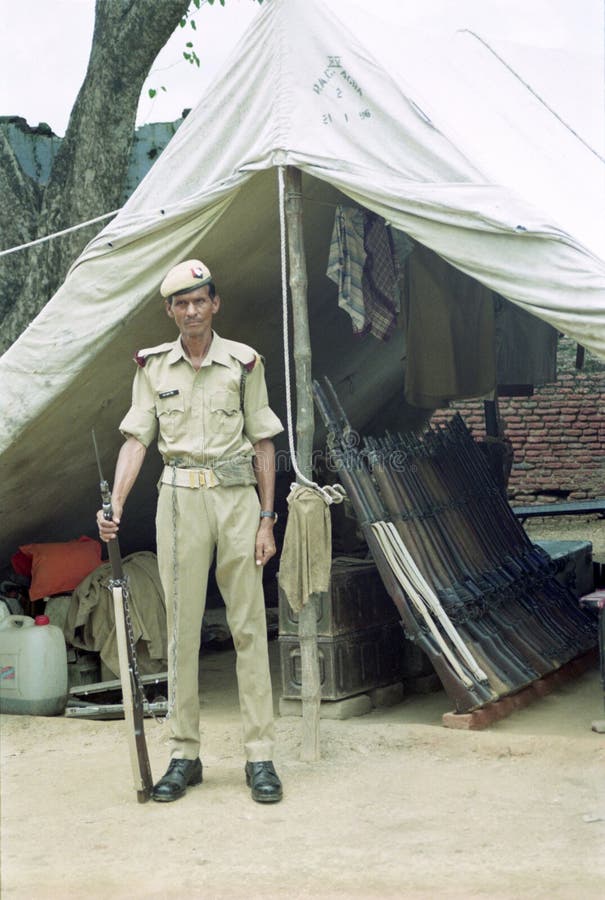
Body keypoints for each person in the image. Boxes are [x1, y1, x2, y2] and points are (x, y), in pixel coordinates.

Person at [97, 259, 284, 804]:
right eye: (182, 303)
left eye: (201, 299)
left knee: (248, 626)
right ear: (170, 311)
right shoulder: (153, 368)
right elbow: (136, 440)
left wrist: (268, 519)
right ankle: (184, 753)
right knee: (180, 628)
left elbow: (265, 443)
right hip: (178, 501)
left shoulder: (244, 363)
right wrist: (117, 505)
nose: (192, 310)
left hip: (236, 501)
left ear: (215, 303)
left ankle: (259, 756)